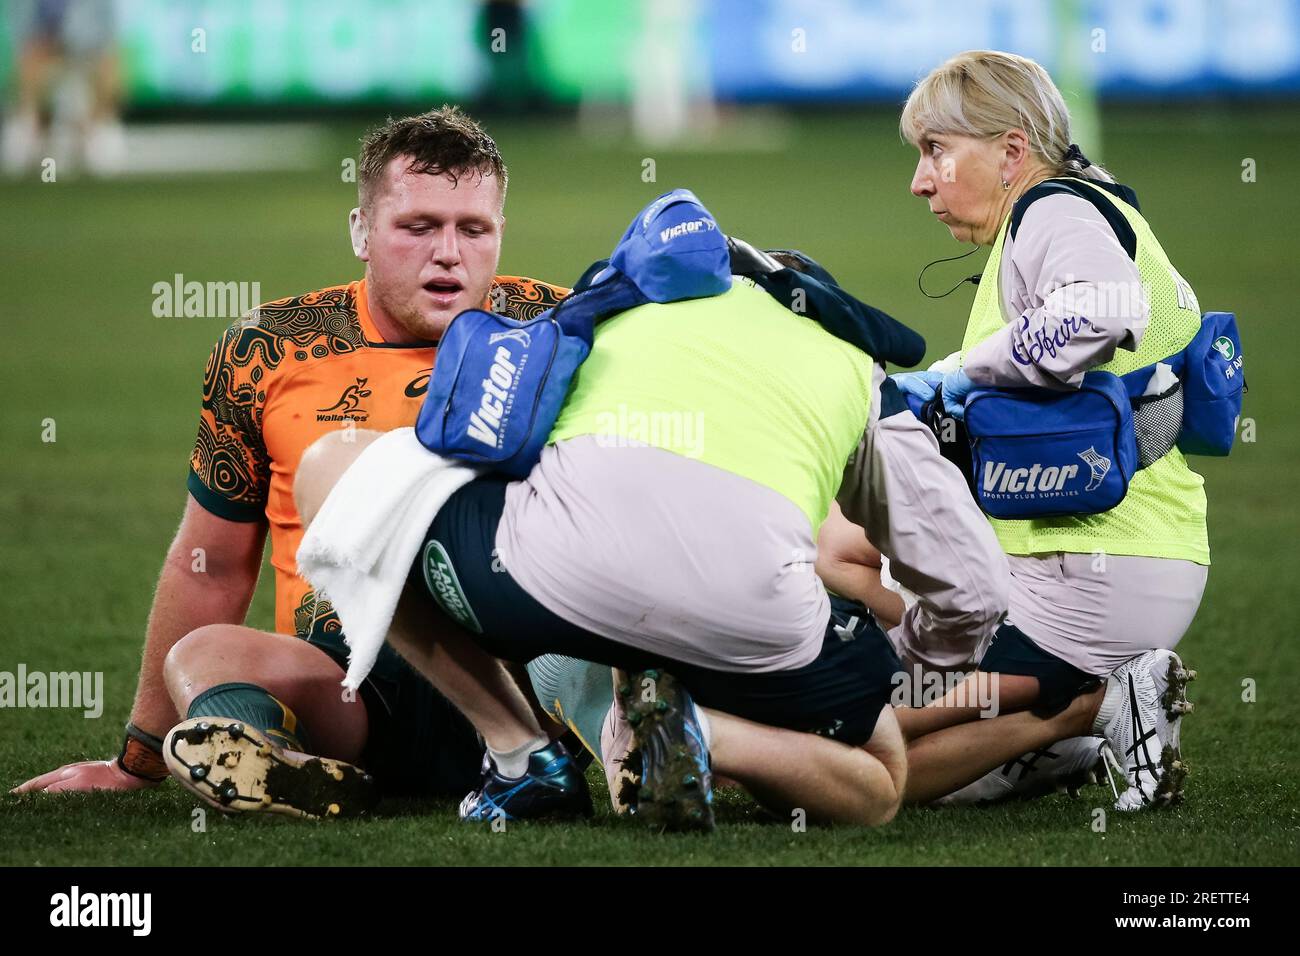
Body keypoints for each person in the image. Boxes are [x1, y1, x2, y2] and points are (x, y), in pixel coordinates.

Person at [12, 107, 569, 815]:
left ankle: (650, 747)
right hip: (348, 690)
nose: (448, 254)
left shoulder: (556, 331)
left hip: (522, 669)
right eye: (418, 226)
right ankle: (279, 762)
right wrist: (138, 762)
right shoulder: (268, 350)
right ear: (361, 231)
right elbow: (210, 563)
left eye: (474, 229)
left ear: (500, 233)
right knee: (203, 656)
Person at [894, 50, 1207, 810]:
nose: (920, 180)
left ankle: (1091, 704)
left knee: (836, 750)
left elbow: (1101, 309)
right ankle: (1068, 733)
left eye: (936, 150)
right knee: (926, 773)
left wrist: (958, 379)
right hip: (1135, 556)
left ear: (1012, 151)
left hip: (1083, 575)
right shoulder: (1083, 205)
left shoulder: (1052, 211)